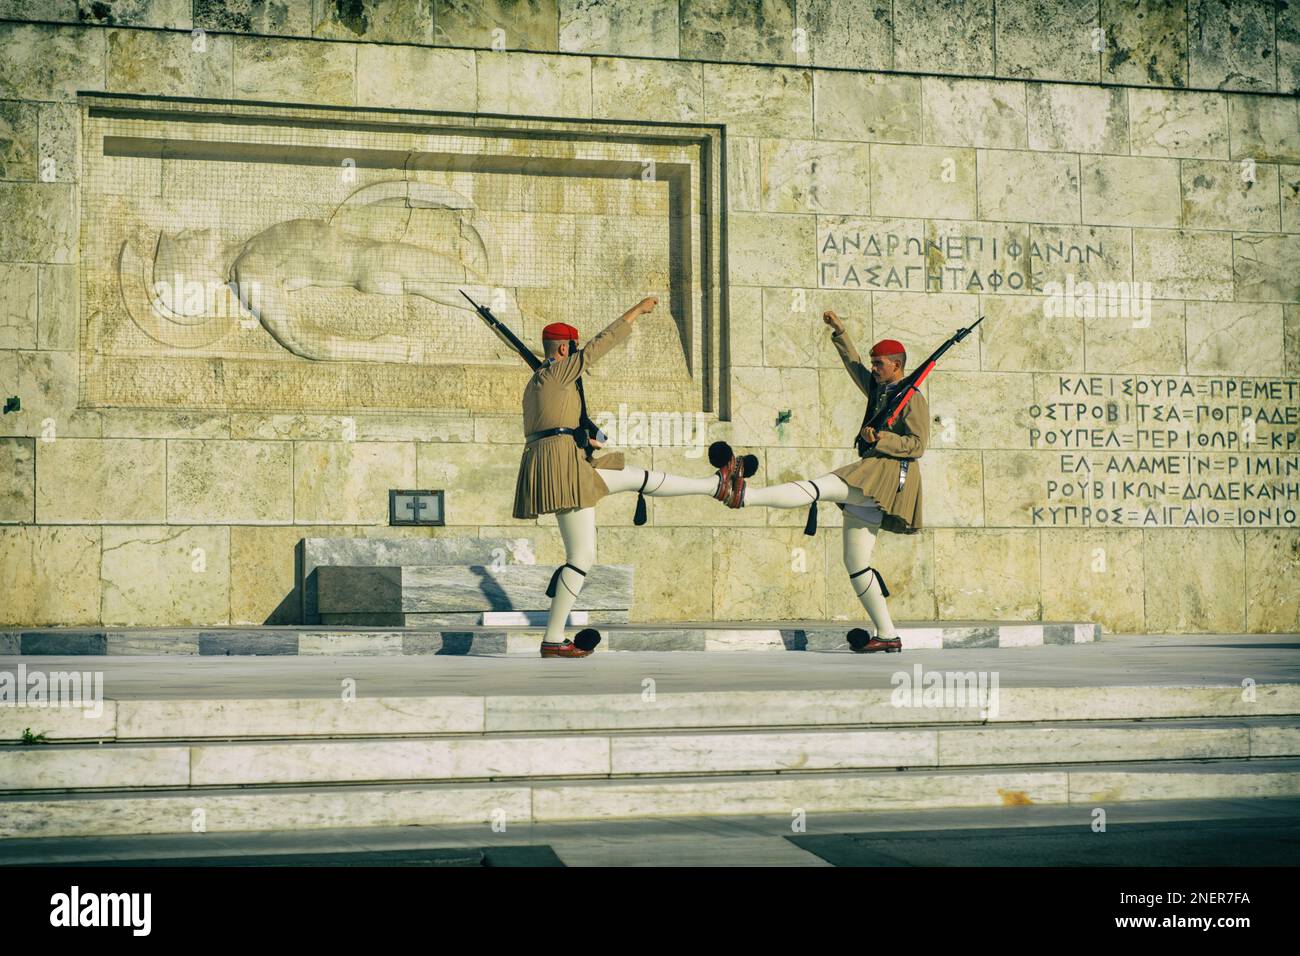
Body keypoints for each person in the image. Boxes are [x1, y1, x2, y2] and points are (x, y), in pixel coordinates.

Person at [514, 295, 755, 658]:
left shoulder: (537, 382)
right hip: (565, 467)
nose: (577, 356)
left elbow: (551, 426)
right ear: (564, 349)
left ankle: (715, 486)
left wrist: (585, 437)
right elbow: (600, 345)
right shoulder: (560, 370)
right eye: (572, 350)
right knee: (581, 555)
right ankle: (552, 639)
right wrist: (636, 312)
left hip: (561, 461)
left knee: (633, 477)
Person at [716, 309, 928, 653]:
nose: (873, 369)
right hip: (874, 474)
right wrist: (841, 332)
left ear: (897, 366)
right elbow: (854, 366)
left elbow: (918, 446)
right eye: (874, 363)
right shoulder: (879, 390)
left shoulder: (912, 398)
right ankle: (887, 634)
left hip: (888, 476)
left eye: (880, 364)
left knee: (820, 486)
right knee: (856, 562)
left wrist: (880, 440)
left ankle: (744, 495)